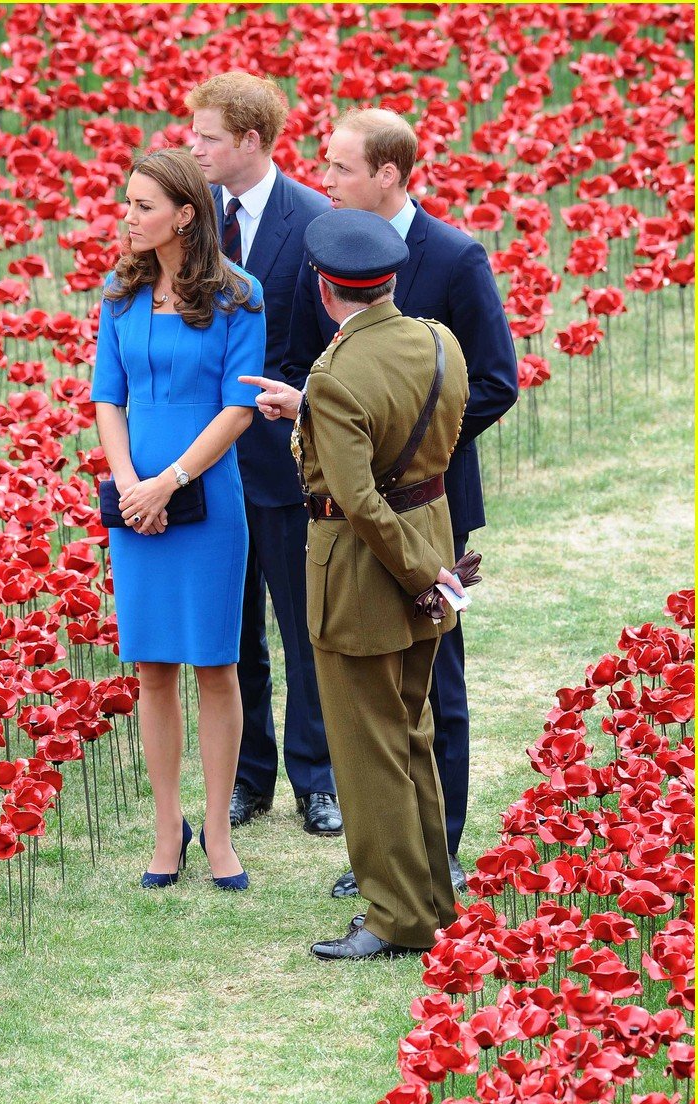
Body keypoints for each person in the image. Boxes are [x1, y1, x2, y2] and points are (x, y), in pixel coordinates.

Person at [282, 108, 518, 898]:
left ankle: (435, 851)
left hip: (425, 502)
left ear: (388, 173)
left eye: (341, 167)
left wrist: (401, 456)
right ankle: (388, 857)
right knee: (380, 701)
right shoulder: (326, 247)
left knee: (429, 687)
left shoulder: (452, 256)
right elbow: (305, 360)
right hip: (358, 512)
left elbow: (494, 381)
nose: (327, 180)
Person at [240, 209, 469, 959]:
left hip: (371, 576)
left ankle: (392, 917)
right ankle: (432, 894)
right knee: (411, 733)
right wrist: (428, 566)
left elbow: (360, 499)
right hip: (430, 550)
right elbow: (415, 447)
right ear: (386, 281)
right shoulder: (436, 341)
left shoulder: (334, 374)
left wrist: (413, 571)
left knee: (368, 751)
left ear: (323, 288)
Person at [90, 148, 266, 892]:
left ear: (184, 216)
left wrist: (170, 480)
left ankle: (220, 834)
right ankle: (169, 830)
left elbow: (240, 406)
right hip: (136, 506)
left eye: (141, 206)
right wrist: (133, 486)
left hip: (207, 501)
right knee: (153, 670)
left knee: (217, 667)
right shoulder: (118, 293)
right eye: (126, 203)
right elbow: (106, 397)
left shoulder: (240, 295)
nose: (125, 217)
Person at [184, 71, 343, 838]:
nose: (194, 147)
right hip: (208, 462)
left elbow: (332, 346)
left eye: (208, 136)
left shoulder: (311, 220)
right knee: (230, 628)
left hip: (286, 464)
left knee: (302, 623)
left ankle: (316, 779)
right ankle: (249, 779)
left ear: (250, 140)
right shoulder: (188, 223)